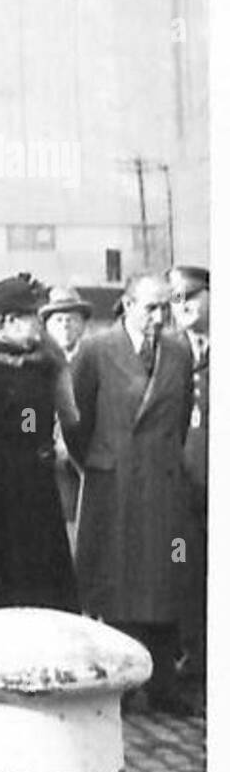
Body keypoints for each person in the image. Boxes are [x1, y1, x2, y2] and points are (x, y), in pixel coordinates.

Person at [67, 273, 195, 717]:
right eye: (150, 307)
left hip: (161, 486)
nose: (159, 317)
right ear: (127, 304)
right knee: (116, 586)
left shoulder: (179, 352)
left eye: (166, 307)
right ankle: (119, 683)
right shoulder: (97, 350)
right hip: (114, 483)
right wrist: (102, 460)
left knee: (163, 582)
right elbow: (74, 418)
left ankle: (164, 683)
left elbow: (179, 419)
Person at [0, 275, 79, 612]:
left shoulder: (44, 361)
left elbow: (53, 418)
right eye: (33, 316)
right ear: (7, 320)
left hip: (37, 489)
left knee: (44, 585)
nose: (40, 324)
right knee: (1, 584)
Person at [168, 265, 208, 706]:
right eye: (176, 300)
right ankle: (190, 656)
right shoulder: (171, 352)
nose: (184, 307)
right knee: (182, 567)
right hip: (182, 492)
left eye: (191, 296)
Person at [39, 285, 93, 542]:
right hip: (49, 464)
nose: (65, 325)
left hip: (89, 460)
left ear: (83, 324)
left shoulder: (95, 360)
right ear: (47, 326)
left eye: (72, 319)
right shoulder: (38, 364)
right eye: (58, 320)